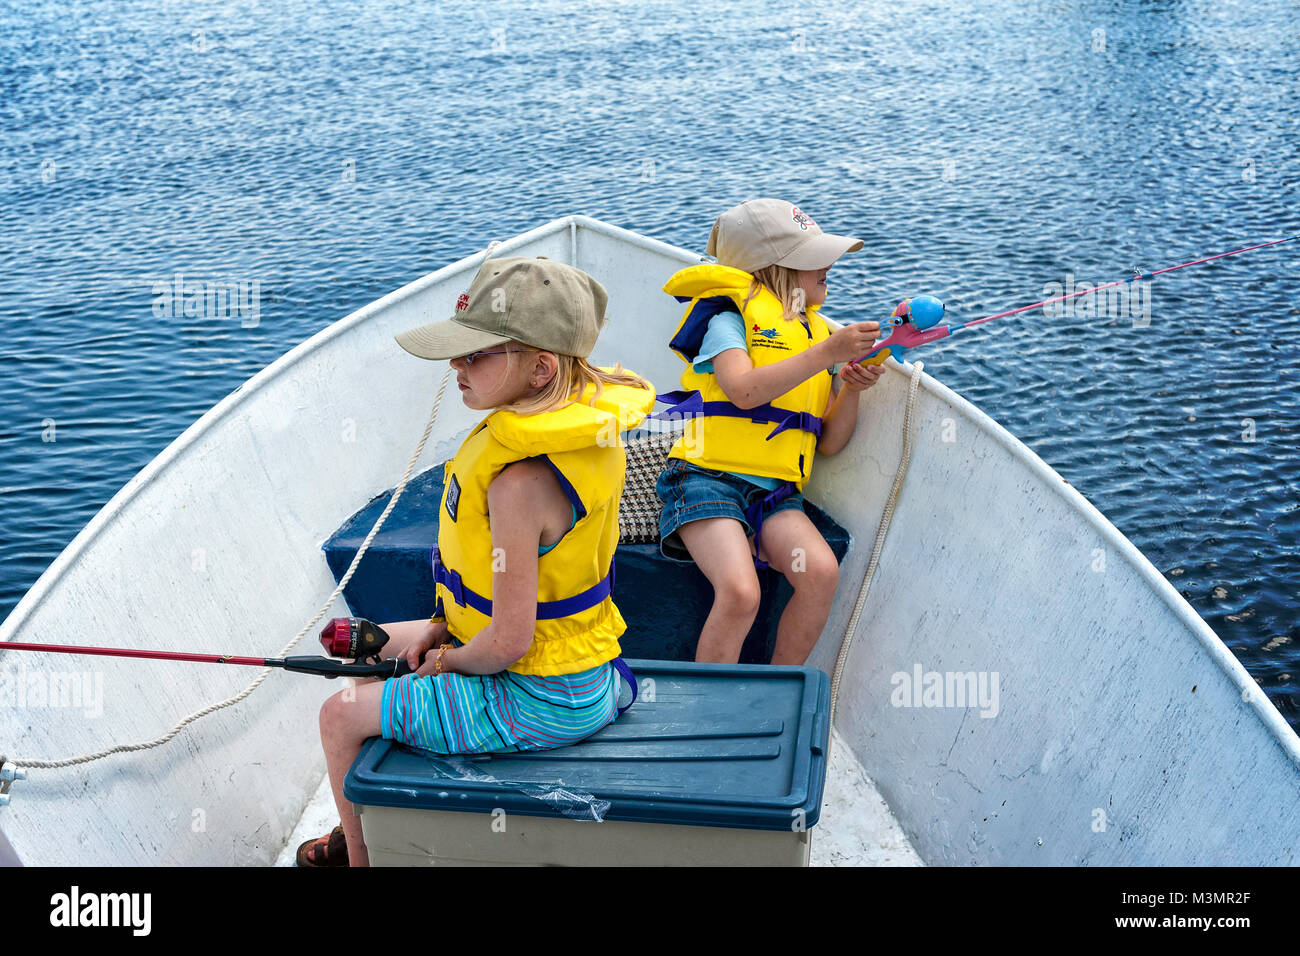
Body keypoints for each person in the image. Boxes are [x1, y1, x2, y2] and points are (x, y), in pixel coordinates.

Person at [299, 255, 656, 866]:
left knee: (338, 716)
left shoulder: (518, 484)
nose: (455, 367)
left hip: (540, 699)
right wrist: (441, 628)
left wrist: (444, 661)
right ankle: (380, 815)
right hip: (583, 667)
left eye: (476, 356)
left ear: (540, 369)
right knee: (367, 649)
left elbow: (509, 642)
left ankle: (360, 858)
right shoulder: (584, 433)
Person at [655, 198, 885, 666]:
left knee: (820, 572)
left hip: (776, 496)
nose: (829, 266)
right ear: (772, 268)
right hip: (706, 481)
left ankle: (779, 688)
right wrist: (827, 357)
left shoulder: (819, 336)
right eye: (813, 259)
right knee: (741, 592)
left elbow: (830, 443)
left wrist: (852, 389)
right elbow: (742, 392)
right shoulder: (728, 320)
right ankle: (708, 712)